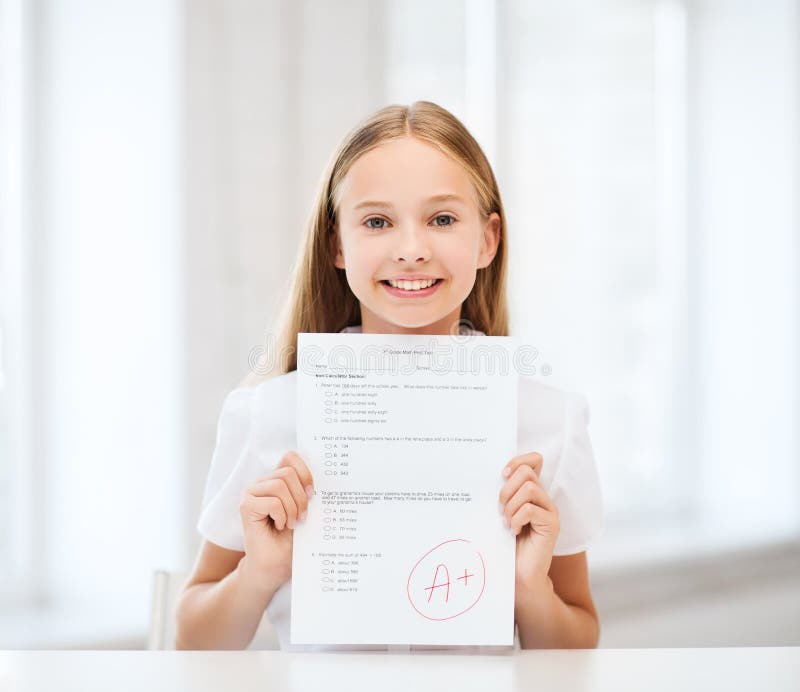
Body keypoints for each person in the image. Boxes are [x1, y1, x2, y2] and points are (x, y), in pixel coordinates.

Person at [175, 101, 604, 651]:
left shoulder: (551, 421)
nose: (411, 251)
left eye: (442, 219)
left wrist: (528, 587)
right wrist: (259, 572)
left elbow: (576, 646)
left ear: (487, 240)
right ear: (336, 243)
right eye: (377, 221)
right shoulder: (267, 414)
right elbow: (193, 642)